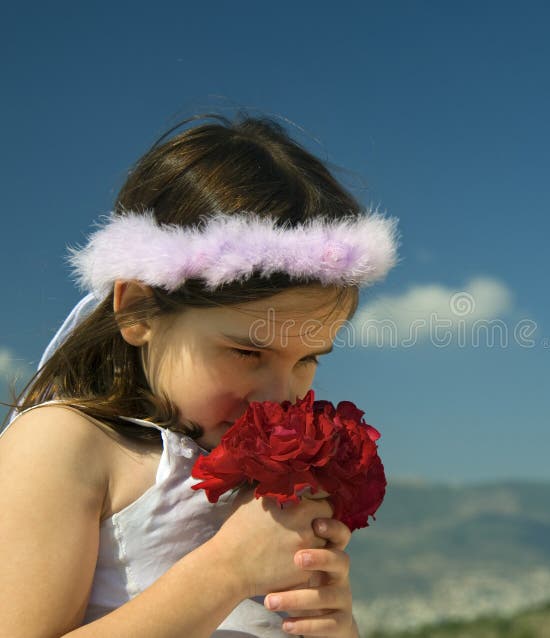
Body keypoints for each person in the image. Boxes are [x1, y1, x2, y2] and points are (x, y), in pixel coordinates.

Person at [0, 112, 400, 637]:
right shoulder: (67, 444)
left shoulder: (262, 481)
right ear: (138, 309)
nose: (278, 397)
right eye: (247, 352)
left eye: (307, 359)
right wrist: (226, 571)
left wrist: (334, 623)